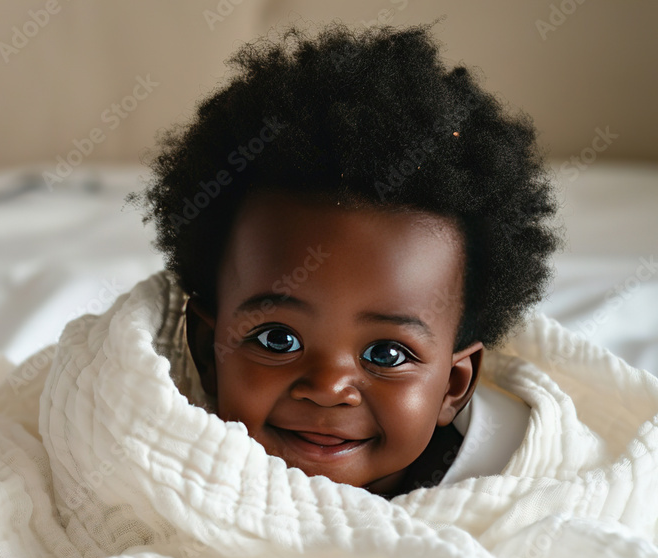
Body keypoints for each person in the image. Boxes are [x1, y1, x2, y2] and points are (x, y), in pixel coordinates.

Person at [128, 22, 562, 498]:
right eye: (277, 339)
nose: (330, 387)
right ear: (208, 349)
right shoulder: (143, 469)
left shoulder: (519, 491)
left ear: (453, 387)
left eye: (387, 354)